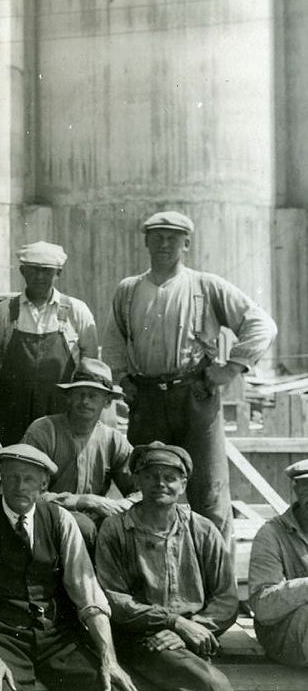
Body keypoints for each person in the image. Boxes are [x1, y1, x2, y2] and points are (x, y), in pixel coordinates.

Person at [102, 210, 277, 545]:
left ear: (187, 244)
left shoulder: (205, 285)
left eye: (173, 238)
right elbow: (113, 342)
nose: (165, 244)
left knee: (209, 492)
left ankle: (218, 587)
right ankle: (150, 574)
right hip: (148, 400)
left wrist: (228, 370)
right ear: (146, 242)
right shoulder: (129, 290)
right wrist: (123, 380)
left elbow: (261, 325)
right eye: (158, 237)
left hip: (194, 396)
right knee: (146, 489)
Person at [0, 443, 141, 691]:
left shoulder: (60, 519)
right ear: (1, 479)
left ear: (43, 485)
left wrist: (108, 657)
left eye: (29, 479)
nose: (20, 486)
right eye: (12, 477)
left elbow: (89, 596)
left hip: (57, 639)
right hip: (3, 636)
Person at [95, 442, 236, 691]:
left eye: (170, 477)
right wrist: (172, 621)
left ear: (183, 484)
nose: (161, 483)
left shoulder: (202, 530)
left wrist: (190, 627)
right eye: (151, 476)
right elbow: (115, 599)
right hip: (141, 638)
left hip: (195, 635)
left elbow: (226, 598)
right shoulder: (116, 529)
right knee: (216, 688)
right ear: (137, 481)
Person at [0, 242, 98, 445]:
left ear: (59, 273)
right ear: (22, 271)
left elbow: (91, 366)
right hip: (13, 412)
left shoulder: (76, 311)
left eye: (46, 271)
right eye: (33, 270)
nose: (39, 277)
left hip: (60, 411)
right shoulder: (5, 311)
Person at [23, 358, 137, 529]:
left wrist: (112, 506)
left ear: (107, 402)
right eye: (79, 394)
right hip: (44, 520)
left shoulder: (113, 440)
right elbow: (25, 489)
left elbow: (142, 491)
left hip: (95, 523)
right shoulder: (44, 431)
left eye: (93, 395)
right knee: (84, 526)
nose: (85, 401)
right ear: (69, 397)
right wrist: (82, 501)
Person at [247, 459, 308, 667]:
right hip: (285, 634)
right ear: (296, 489)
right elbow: (263, 607)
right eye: (307, 487)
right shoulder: (271, 534)